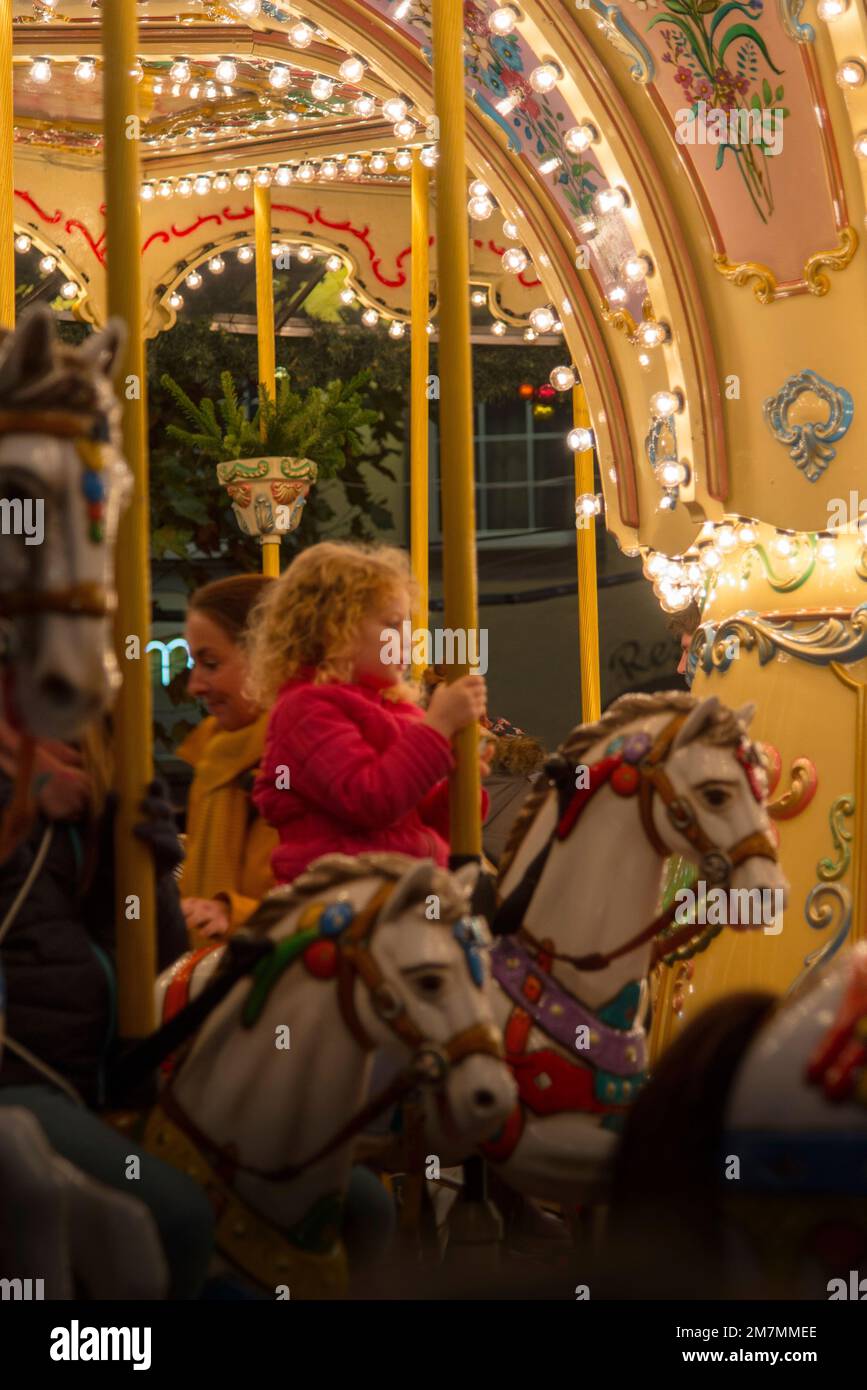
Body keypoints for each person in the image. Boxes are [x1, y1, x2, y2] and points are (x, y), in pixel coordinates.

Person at [0, 715, 215, 1299]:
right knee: (180, 1217)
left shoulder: (90, 824)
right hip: (21, 1077)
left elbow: (160, 972)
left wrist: (151, 874)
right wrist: (27, 791)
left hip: (103, 1075)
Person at [248, 542, 488, 885]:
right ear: (335, 630)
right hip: (344, 890)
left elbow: (430, 828)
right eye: (392, 625)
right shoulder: (304, 710)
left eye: (407, 624)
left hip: (403, 884)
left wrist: (459, 785)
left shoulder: (398, 710)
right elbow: (370, 800)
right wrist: (438, 728)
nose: (408, 638)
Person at [179, 574, 278, 942]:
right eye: (195, 664)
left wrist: (234, 916)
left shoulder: (320, 756)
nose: (195, 685)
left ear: (267, 656)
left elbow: (341, 903)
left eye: (211, 663)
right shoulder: (215, 754)